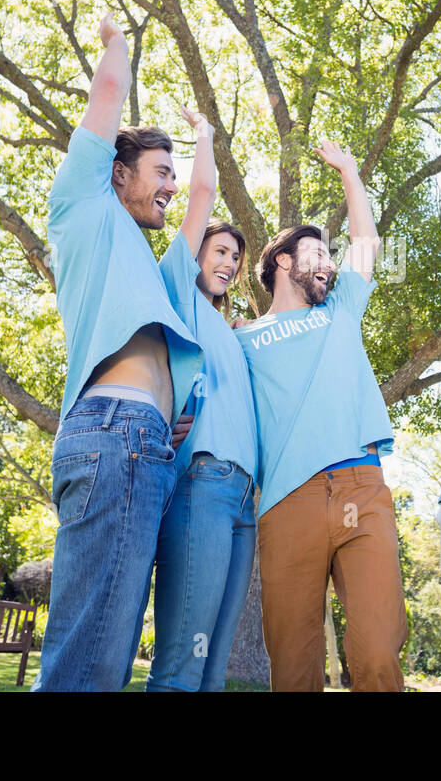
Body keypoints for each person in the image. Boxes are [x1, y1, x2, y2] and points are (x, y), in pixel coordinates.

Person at [33, 12, 203, 692]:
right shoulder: (82, 202)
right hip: (116, 435)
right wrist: (117, 40)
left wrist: (168, 415)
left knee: (102, 652)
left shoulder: (137, 252)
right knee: (91, 658)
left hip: (139, 441)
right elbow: (108, 93)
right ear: (116, 172)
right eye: (161, 172)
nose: (169, 185)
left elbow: (200, 203)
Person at [234, 139, 408, 691]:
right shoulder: (243, 342)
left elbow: (366, 240)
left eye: (331, 256)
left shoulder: (340, 313)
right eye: (317, 253)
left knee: (378, 652)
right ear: (283, 260)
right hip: (288, 502)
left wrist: (350, 171)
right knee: (293, 667)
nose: (329, 263)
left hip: (361, 484)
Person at [146, 102, 259, 691]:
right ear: (194, 255)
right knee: (181, 669)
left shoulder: (230, 330)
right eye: (219, 251)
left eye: (235, 258)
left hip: (245, 498)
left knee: (213, 670)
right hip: (203, 484)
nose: (229, 263)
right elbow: (203, 195)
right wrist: (205, 136)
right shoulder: (177, 294)